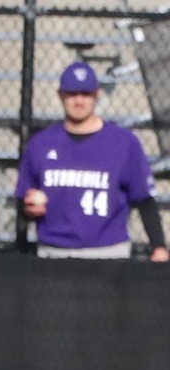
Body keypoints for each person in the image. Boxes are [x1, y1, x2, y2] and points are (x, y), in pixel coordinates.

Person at [16, 62, 168, 262]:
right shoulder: (41, 143)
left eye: (85, 94)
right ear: (60, 95)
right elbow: (22, 199)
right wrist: (28, 209)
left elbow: (144, 199)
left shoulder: (123, 143)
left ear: (97, 94)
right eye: (72, 94)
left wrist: (158, 247)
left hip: (108, 253)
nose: (79, 101)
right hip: (53, 252)